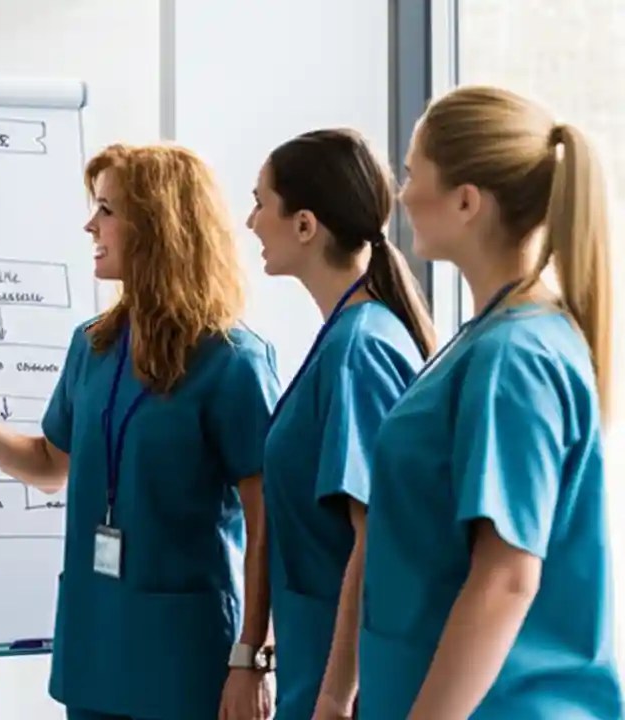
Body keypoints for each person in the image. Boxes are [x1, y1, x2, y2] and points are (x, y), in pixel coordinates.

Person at [0, 143, 281, 720]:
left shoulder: (232, 360)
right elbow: (48, 464)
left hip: (187, 655)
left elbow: (269, 523)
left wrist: (254, 657)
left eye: (107, 210)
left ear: (159, 225)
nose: (91, 224)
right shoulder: (92, 345)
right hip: (95, 646)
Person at [361, 85, 622, 718]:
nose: (401, 196)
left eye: (412, 174)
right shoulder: (494, 338)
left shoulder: (515, 356)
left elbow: (506, 579)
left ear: (466, 201)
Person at [245, 129, 434, 720]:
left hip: (346, 689)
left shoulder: (359, 349)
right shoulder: (346, 338)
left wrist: (334, 697)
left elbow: (374, 536)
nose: (251, 222)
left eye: (260, 202)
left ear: (305, 225)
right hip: (320, 667)